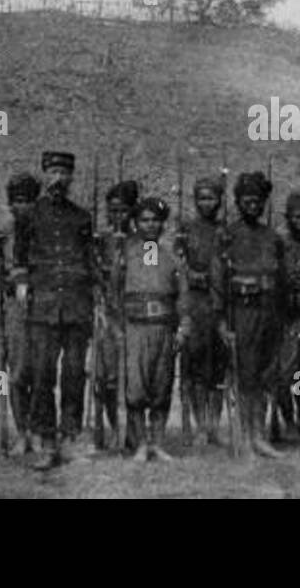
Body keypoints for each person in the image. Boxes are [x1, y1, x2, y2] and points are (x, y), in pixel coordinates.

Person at [18, 151, 100, 469]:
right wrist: (25, 293)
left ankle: (70, 437)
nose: (59, 178)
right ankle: (46, 440)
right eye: (53, 171)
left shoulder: (81, 217)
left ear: (71, 177)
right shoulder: (30, 216)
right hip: (43, 309)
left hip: (77, 308)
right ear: (44, 174)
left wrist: (95, 292)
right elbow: (20, 262)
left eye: (64, 173)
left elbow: (89, 261)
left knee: (75, 374)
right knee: (42, 375)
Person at [212, 171, 287, 458]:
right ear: (238, 202)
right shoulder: (227, 236)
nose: (252, 206)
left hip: (270, 311)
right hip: (242, 312)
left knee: (267, 374)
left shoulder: (273, 238)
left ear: (265, 202)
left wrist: (280, 317)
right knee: (246, 373)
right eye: (246, 201)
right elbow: (218, 282)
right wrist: (221, 322)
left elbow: (281, 279)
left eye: (257, 201)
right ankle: (244, 435)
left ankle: (259, 434)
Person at [113, 197, 190, 462]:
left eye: (155, 220)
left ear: (162, 223)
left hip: (163, 329)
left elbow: (183, 296)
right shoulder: (125, 255)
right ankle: (138, 444)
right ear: (136, 222)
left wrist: (183, 329)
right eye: (144, 220)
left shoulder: (171, 256)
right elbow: (114, 294)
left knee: (161, 386)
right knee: (136, 388)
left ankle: (157, 442)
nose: (150, 225)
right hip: (135, 328)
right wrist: (117, 327)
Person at [0, 171, 40, 455]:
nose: (22, 207)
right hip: (14, 310)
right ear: (10, 204)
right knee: (17, 374)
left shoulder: (46, 231)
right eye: (17, 201)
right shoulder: (3, 233)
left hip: (43, 310)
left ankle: (39, 431)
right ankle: (23, 432)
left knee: (41, 374)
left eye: (28, 201)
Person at [176, 176, 229, 445]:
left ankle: (214, 424)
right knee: (195, 366)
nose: (206, 203)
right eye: (201, 198)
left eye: (211, 198)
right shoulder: (187, 230)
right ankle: (199, 425)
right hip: (195, 304)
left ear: (220, 200)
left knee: (218, 367)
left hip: (218, 305)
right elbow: (179, 267)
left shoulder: (225, 231)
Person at [94, 179, 139, 450]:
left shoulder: (144, 243)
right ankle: (112, 426)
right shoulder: (101, 240)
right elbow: (93, 275)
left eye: (123, 210)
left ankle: (132, 430)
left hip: (134, 319)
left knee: (133, 377)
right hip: (107, 317)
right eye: (112, 210)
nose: (117, 216)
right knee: (107, 377)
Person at [273, 192, 300, 442]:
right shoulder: (278, 246)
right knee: (283, 372)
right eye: (297, 217)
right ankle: (287, 419)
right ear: (288, 218)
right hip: (284, 317)